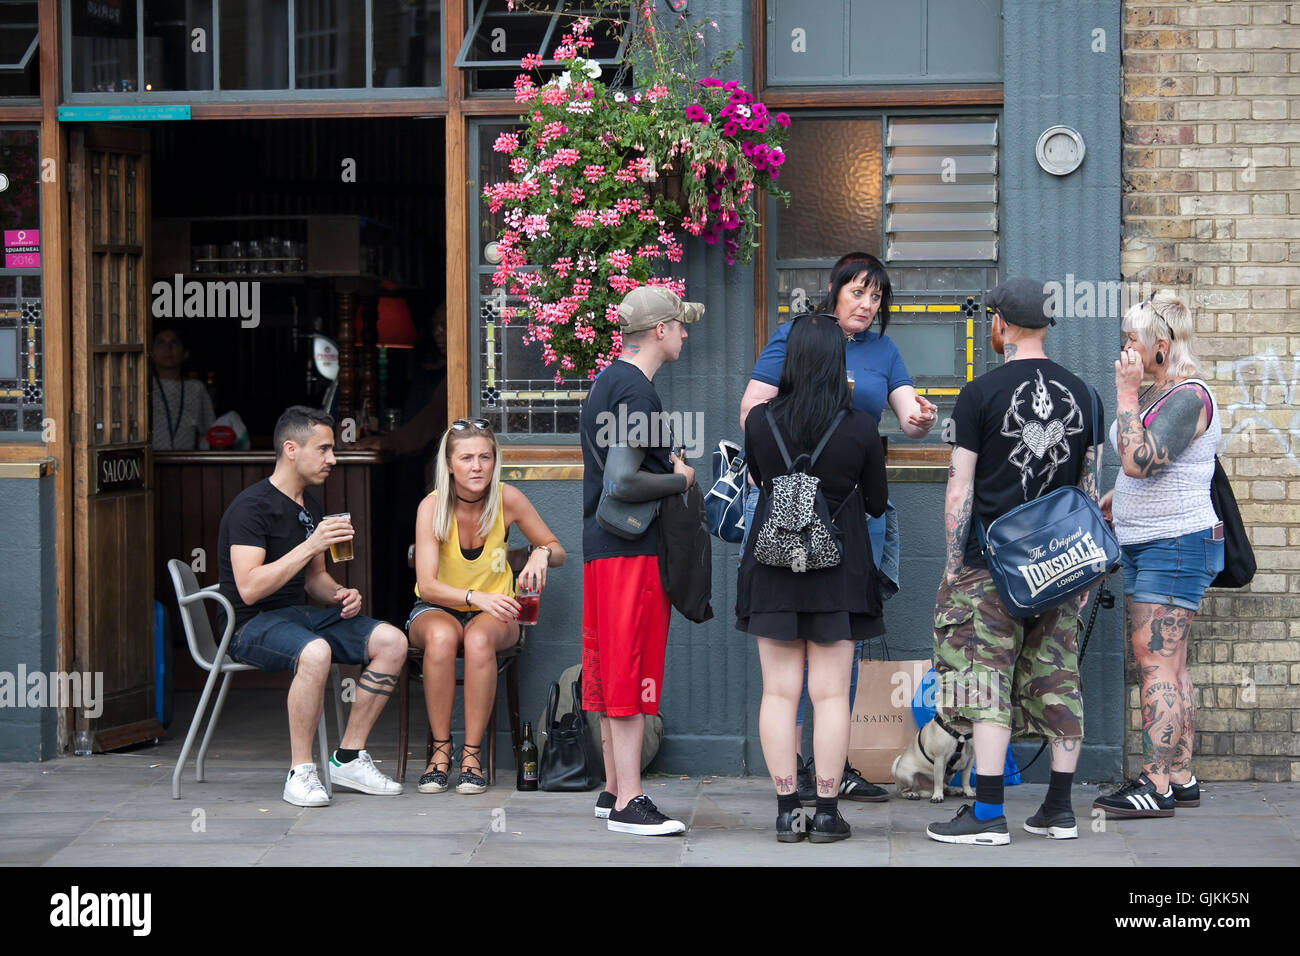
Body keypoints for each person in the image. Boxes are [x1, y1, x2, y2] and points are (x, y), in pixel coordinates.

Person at [738, 251, 938, 804]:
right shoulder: (853, 421)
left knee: (783, 686)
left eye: (877, 297)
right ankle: (823, 799)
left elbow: (906, 413)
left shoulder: (879, 352)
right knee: (829, 682)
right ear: (834, 293)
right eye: (859, 293)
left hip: (798, 531)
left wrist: (919, 417)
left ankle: (796, 800)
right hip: (832, 522)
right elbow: (877, 500)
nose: (869, 305)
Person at [926, 278, 1102, 846]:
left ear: (1000, 324)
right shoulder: (1087, 395)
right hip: (1064, 564)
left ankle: (988, 816)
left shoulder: (979, 393)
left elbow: (960, 487)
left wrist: (955, 563)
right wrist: (1082, 569)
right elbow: (1091, 492)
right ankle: (1058, 810)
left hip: (992, 566)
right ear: (1046, 325)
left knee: (985, 682)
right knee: (1058, 680)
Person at [737, 313, 888, 843]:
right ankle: (826, 811)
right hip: (837, 571)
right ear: (836, 363)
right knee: (829, 696)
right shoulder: (862, 427)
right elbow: (875, 503)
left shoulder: (759, 422)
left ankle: (786, 811)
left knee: (778, 693)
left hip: (774, 568)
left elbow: (759, 478)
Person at [216, 405, 407, 806]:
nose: (332, 459)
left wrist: (340, 594)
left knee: (392, 641)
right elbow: (250, 588)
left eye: (332, 450)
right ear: (291, 449)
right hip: (248, 624)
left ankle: (349, 757)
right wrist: (311, 544)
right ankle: (300, 771)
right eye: (323, 449)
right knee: (315, 652)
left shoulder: (310, 506)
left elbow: (315, 579)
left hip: (297, 616)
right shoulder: (251, 507)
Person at [1092, 292, 1220, 819]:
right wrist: (1117, 499)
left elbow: (1142, 459)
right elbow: (1141, 467)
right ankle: (1181, 776)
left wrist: (1124, 395)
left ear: (1160, 348)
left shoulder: (1188, 395)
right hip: (1155, 542)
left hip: (1175, 546)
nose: (1125, 350)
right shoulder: (1165, 394)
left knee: (1154, 663)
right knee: (1173, 664)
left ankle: (1154, 784)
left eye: (1132, 341)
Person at [579, 284, 700, 836]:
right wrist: (682, 477)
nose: (684, 333)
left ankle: (611, 790)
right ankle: (631, 801)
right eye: (679, 324)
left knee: (608, 670)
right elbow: (624, 479)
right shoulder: (638, 392)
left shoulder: (610, 381)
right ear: (659, 331)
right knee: (630, 670)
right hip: (632, 553)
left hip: (603, 551)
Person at [407, 418, 565, 794]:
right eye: (465, 458)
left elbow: (558, 549)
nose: (476, 466)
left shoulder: (507, 498)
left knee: (478, 641)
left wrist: (541, 553)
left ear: (495, 461)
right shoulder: (431, 507)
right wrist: (473, 597)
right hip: (436, 607)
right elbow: (428, 585)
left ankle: (472, 757)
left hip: (495, 613)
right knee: (444, 638)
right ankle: (440, 753)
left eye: (484, 457)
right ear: (448, 465)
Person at [150, 325, 215, 450]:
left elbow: (209, 432)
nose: (167, 349)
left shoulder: (196, 389)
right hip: (149, 462)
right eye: (160, 343)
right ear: (151, 353)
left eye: (174, 342)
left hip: (187, 462)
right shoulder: (143, 388)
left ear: (185, 353)